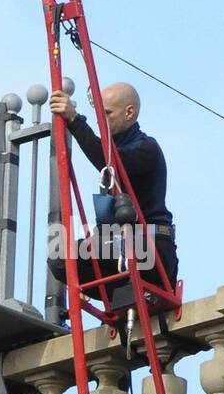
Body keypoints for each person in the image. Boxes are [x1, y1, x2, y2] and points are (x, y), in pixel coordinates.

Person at [47, 82, 179, 310]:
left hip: (152, 250)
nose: (101, 121)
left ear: (129, 113)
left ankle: (135, 294)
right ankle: (122, 297)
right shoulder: (111, 154)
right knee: (61, 259)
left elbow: (111, 162)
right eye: (98, 114)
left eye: (107, 114)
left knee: (74, 255)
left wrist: (75, 121)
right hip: (121, 247)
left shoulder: (147, 149)